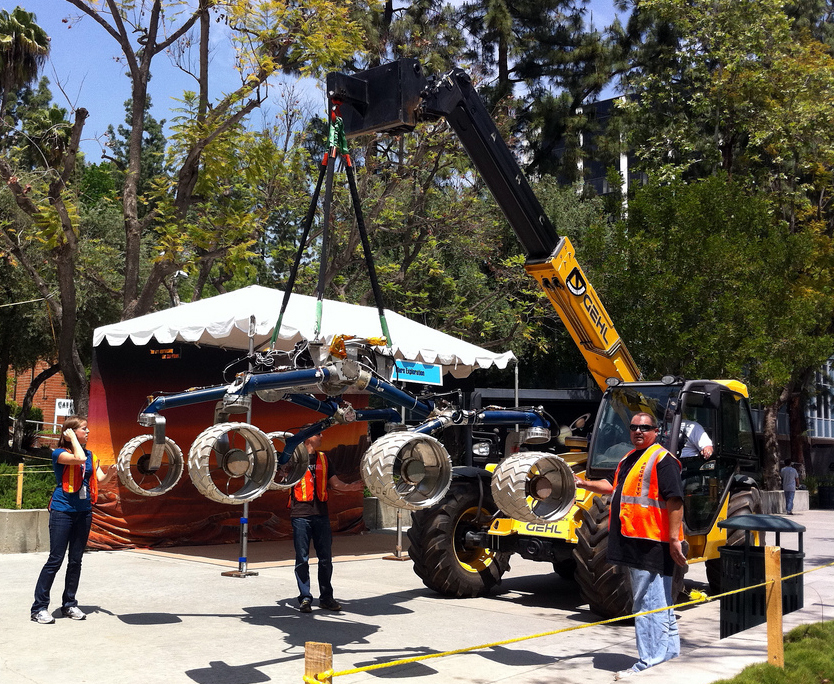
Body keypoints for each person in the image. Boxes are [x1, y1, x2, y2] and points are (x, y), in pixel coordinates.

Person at [574, 412, 686, 680]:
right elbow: (613, 487)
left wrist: (674, 539)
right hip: (635, 540)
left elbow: (676, 501)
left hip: (650, 542)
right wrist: (584, 483)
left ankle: (649, 662)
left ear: (656, 431)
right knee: (661, 602)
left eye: (644, 428)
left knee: (647, 604)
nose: (638, 431)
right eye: (634, 427)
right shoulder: (629, 459)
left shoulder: (661, 460)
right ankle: (667, 655)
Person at [31, 415, 116, 624]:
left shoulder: (89, 454)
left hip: (83, 511)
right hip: (62, 511)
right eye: (83, 429)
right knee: (55, 559)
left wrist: (114, 472)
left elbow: (101, 479)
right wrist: (72, 440)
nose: (88, 432)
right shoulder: (60, 453)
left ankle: (69, 604)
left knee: (76, 560)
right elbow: (77, 459)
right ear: (70, 433)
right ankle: (39, 608)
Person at [289, 426, 363, 613]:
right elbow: (282, 482)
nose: (322, 436)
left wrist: (352, 487)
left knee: (325, 559)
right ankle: (305, 598)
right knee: (302, 559)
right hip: (300, 515)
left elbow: (335, 484)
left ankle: (326, 598)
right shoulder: (294, 458)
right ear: (308, 438)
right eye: (318, 433)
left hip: (321, 515)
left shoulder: (324, 458)